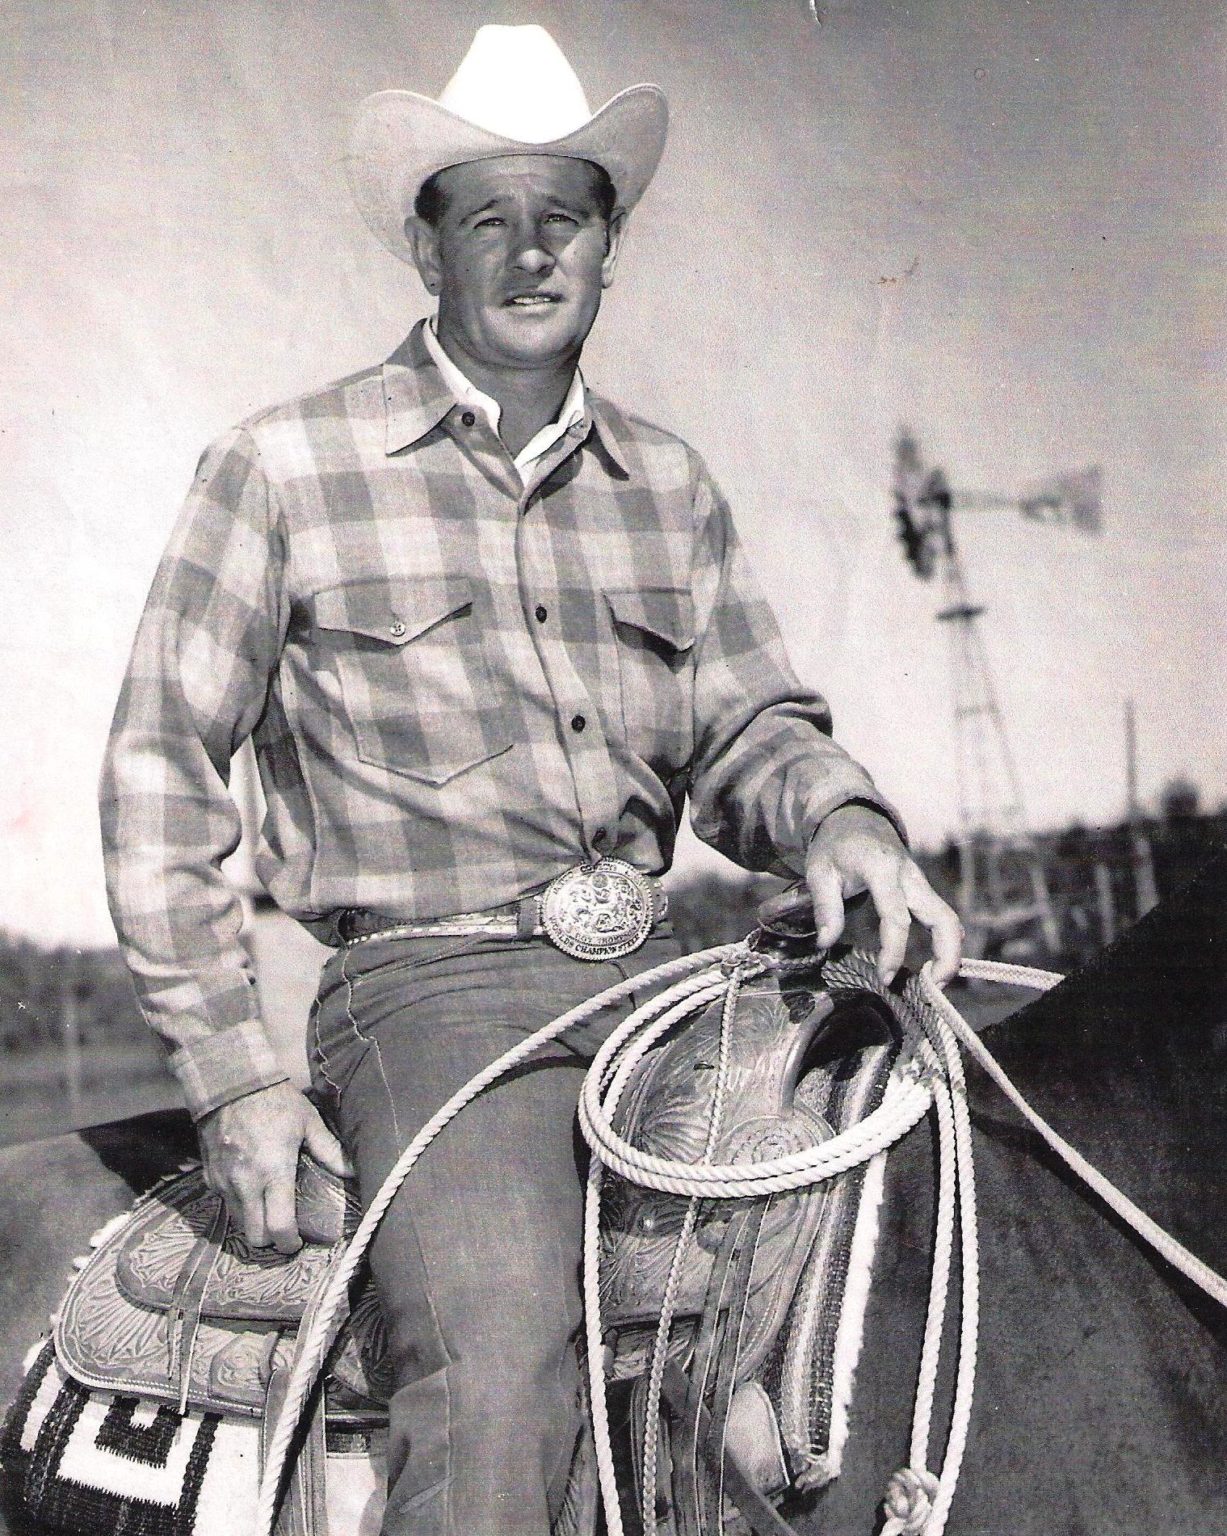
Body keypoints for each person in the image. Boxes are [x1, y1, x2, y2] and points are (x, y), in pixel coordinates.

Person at [101, 24, 962, 1536]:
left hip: (674, 985)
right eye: (484, 214)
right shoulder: (286, 468)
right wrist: (233, 1069)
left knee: (912, 1217)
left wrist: (841, 817)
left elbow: (748, 722)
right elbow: (161, 767)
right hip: (430, 1001)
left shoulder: (669, 485)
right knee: (498, 1373)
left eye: (561, 212)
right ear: (424, 249)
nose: (528, 249)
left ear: (608, 245)